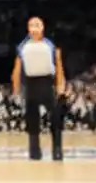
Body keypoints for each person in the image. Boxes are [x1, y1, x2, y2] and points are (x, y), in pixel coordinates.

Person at [11, 17, 65, 161]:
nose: (34, 28)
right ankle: (34, 152)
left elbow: (58, 65)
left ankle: (57, 150)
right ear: (28, 29)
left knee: (55, 118)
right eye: (31, 25)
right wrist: (16, 88)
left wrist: (60, 85)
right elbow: (17, 68)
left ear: (43, 28)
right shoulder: (23, 46)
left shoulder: (50, 45)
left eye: (37, 25)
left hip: (48, 84)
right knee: (32, 120)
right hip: (31, 84)